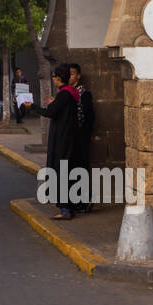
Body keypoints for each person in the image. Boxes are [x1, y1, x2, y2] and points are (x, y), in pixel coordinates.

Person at [24, 63, 82, 220]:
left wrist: (32, 107)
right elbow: (57, 110)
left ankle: (65, 210)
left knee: (61, 171)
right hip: (68, 136)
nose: (53, 79)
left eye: (54, 77)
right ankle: (68, 207)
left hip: (62, 139)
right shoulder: (71, 93)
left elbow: (50, 112)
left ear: (58, 78)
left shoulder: (64, 94)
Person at [68, 63, 96, 214]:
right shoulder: (67, 92)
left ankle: (84, 201)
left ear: (78, 76)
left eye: (72, 74)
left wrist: (82, 133)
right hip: (72, 137)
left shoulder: (83, 93)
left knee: (81, 168)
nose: (70, 77)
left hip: (80, 137)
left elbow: (89, 116)